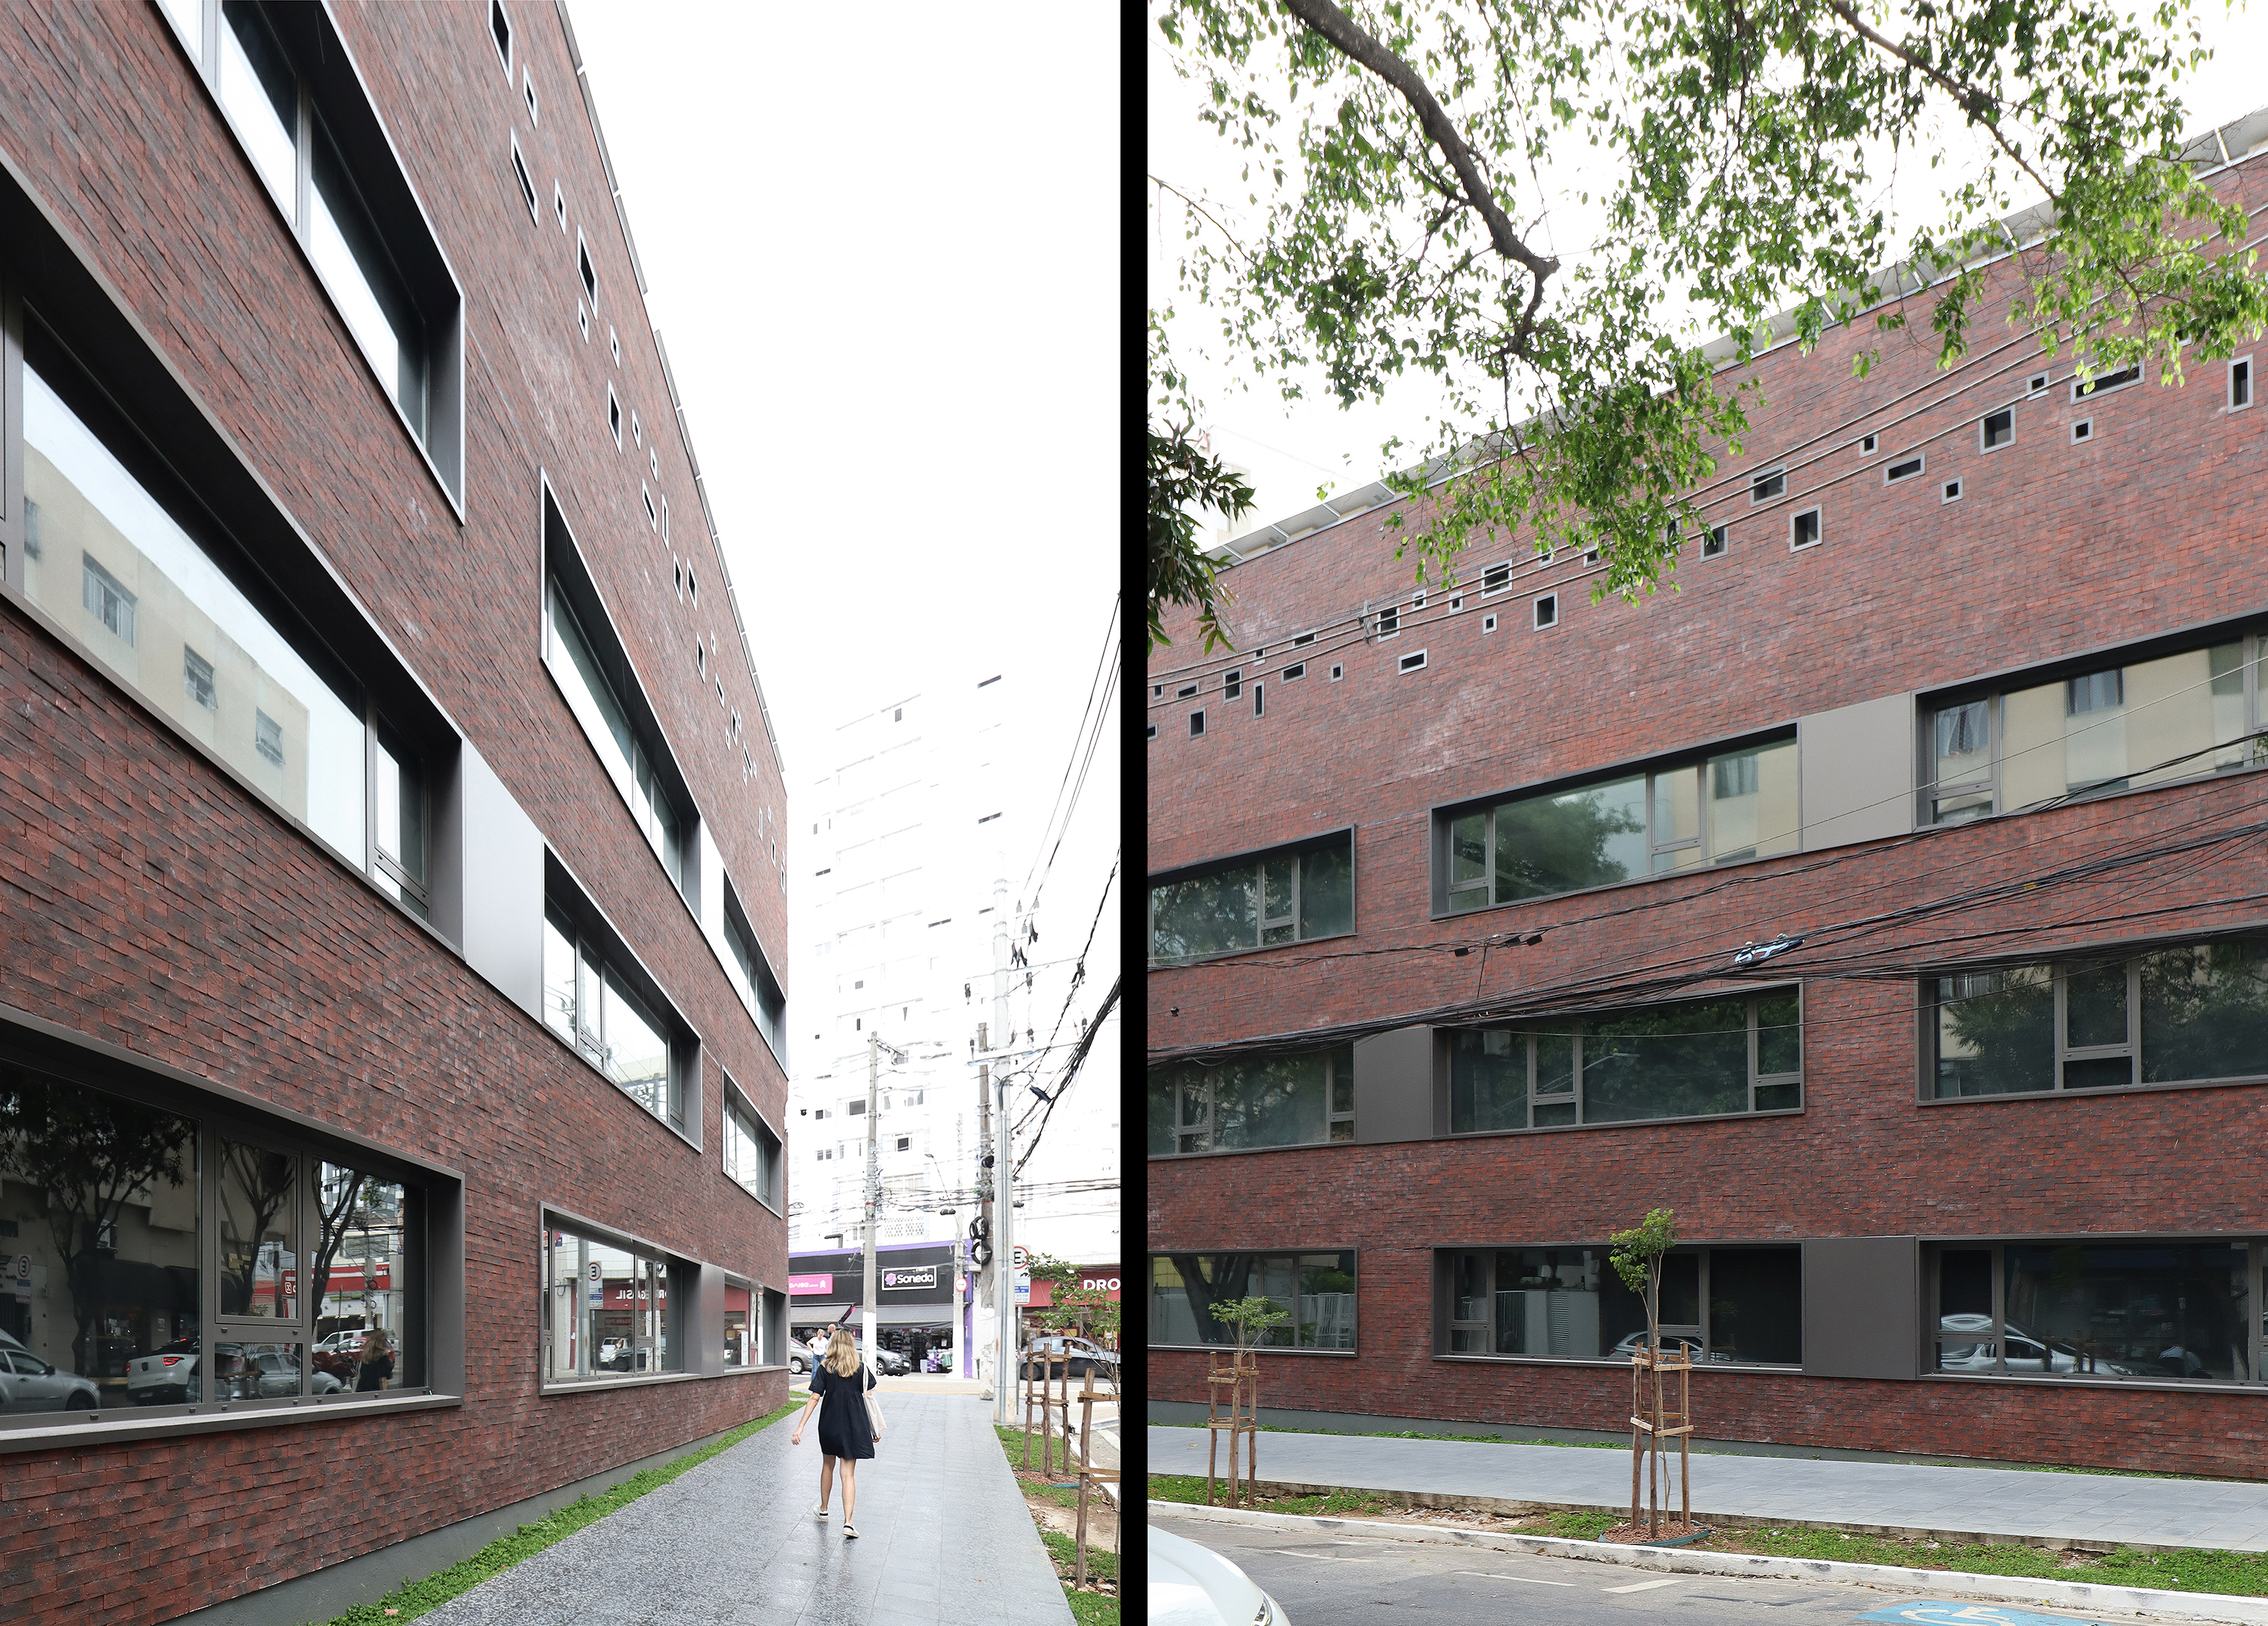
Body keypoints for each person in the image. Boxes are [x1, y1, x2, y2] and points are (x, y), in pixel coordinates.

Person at [791, 1327, 878, 1538]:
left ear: (833, 1345)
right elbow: (868, 1399)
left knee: (827, 1466)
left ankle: (824, 1509)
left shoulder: (825, 1368)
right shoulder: (862, 1369)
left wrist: (800, 1426)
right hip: (854, 1425)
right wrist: (872, 1428)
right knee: (848, 1474)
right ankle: (848, 1522)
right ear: (850, 1345)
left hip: (829, 1424)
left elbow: (814, 1398)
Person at [355, 1327, 393, 1392]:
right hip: (375, 1391)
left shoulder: (365, 1356)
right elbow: (383, 1379)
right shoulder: (382, 1357)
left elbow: (360, 1374)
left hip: (362, 1390)